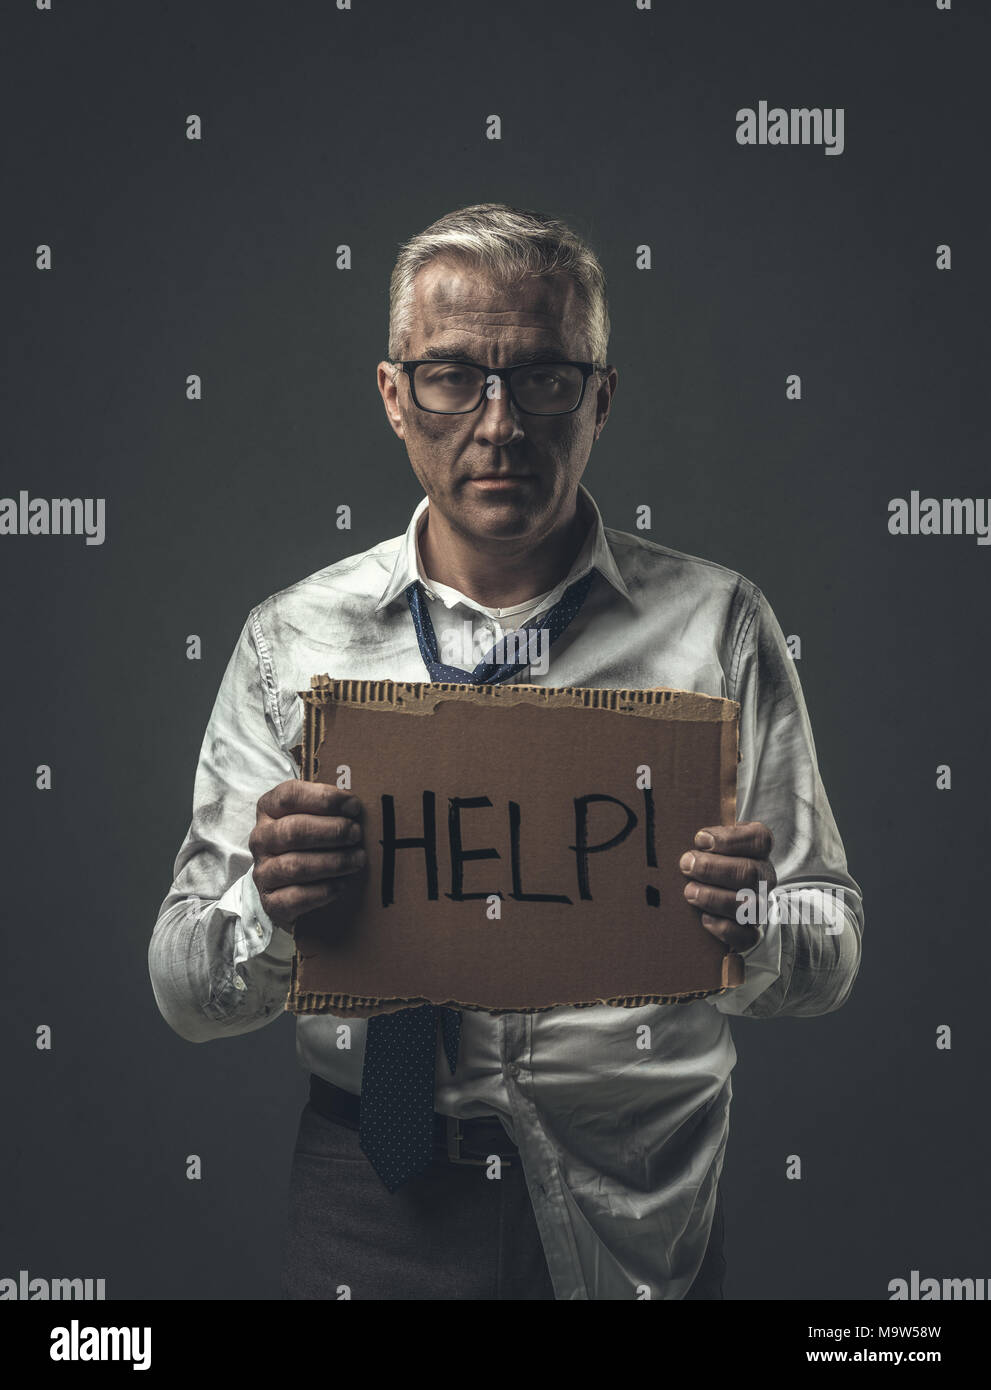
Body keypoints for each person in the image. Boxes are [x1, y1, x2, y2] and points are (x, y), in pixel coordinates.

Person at [148, 201, 864, 1301]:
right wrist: (270, 917)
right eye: (450, 377)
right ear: (393, 396)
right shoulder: (290, 642)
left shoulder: (716, 627)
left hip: (640, 1189)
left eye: (542, 378)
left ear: (599, 398)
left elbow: (833, 946)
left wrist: (752, 922)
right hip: (373, 1187)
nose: (499, 424)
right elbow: (183, 985)